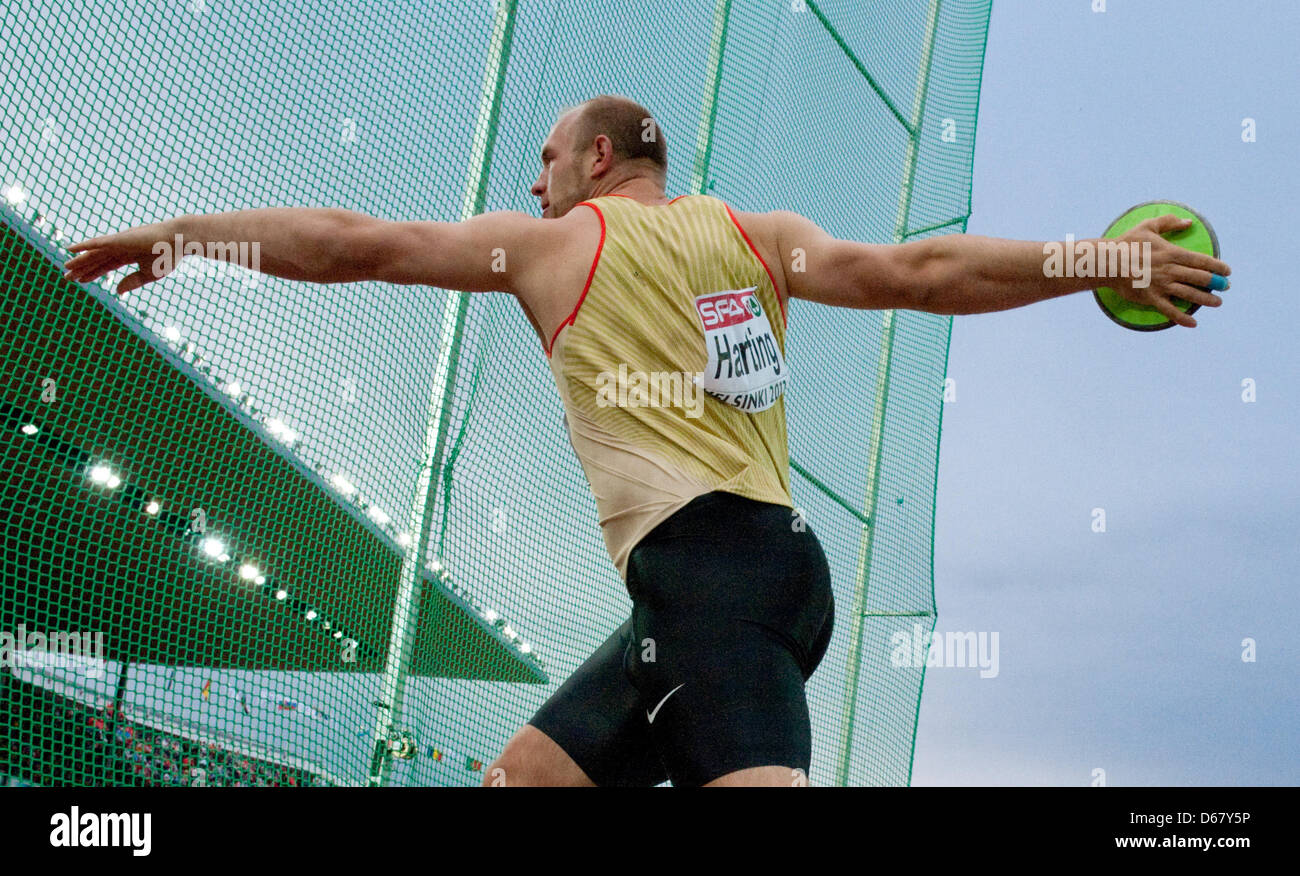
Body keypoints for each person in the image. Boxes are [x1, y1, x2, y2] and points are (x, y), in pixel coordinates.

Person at [62, 94, 1231, 787]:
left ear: (602, 161)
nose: (535, 179)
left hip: (708, 583)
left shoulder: (553, 246)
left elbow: (349, 241)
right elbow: (920, 273)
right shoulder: (762, 234)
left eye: (549, 160)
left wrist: (184, 235)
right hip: (751, 580)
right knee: (527, 781)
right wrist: (1101, 260)